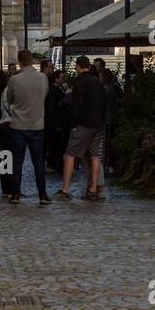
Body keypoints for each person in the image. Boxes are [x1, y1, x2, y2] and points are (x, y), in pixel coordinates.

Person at [55, 55, 106, 201]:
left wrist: (74, 124)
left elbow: (77, 104)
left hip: (83, 124)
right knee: (94, 156)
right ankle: (93, 188)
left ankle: (65, 190)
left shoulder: (80, 80)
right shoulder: (97, 81)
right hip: (97, 124)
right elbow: (104, 103)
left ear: (77, 66)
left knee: (69, 155)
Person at [5, 49, 50, 204]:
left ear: (19, 62)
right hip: (37, 125)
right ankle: (42, 194)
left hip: (18, 125)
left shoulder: (15, 80)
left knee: (17, 161)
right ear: (32, 60)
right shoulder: (43, 78)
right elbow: (45, 95)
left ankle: (15, 194)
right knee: (38, 162)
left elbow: (9, 99)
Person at [100, 66, 122, 170]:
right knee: (110, 142)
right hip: (111, 117)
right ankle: (110, 163)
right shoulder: (112, 86)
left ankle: (110, 163)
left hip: (110, 118)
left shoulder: (110, 88)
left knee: (109, 142)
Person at [45, 69, 67, 170]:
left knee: (57, 145)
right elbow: (51, 109)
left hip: (60, 121)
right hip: (56, 122)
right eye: (62, 77)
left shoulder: (59, 89)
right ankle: (54, 163)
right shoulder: (53, 91)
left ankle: (55, 162)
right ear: (56, 78)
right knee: (55, 145)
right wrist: (56, 124)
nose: (64, 79)